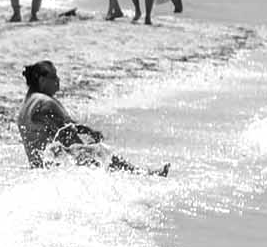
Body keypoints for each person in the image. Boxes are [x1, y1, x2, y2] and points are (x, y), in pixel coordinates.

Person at [17, 61, 165, 173]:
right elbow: (68, 135)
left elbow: (56, 128)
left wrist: (87, 131)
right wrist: (90, 149)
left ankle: (139, 172)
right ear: (42, 80)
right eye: (54, 76)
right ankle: (141, 173)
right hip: (54, 171)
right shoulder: (46, 103)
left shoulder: (26, 105)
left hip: (37, 171)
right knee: (100, 153)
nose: (58, 80)